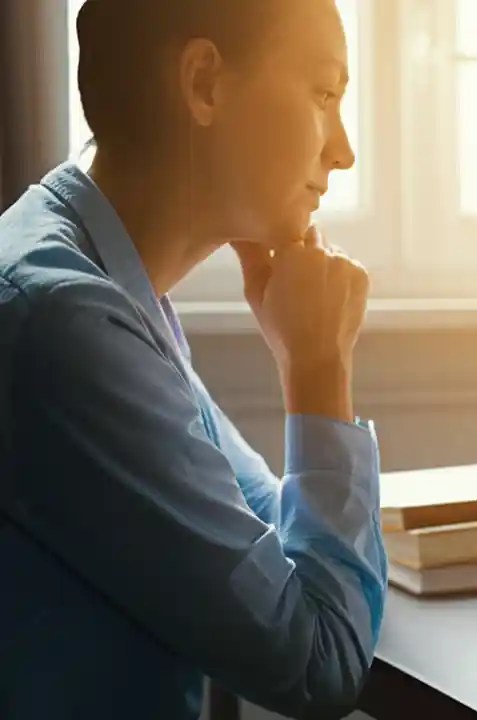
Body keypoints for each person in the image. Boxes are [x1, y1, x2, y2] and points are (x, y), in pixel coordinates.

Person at [0, 1, 387, 718]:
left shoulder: (105, 286)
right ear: (205, 82)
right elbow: (316, 660)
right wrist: (317, 369)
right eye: (325, 94)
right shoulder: (65, 323)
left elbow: (263, 532)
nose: (342, 150)